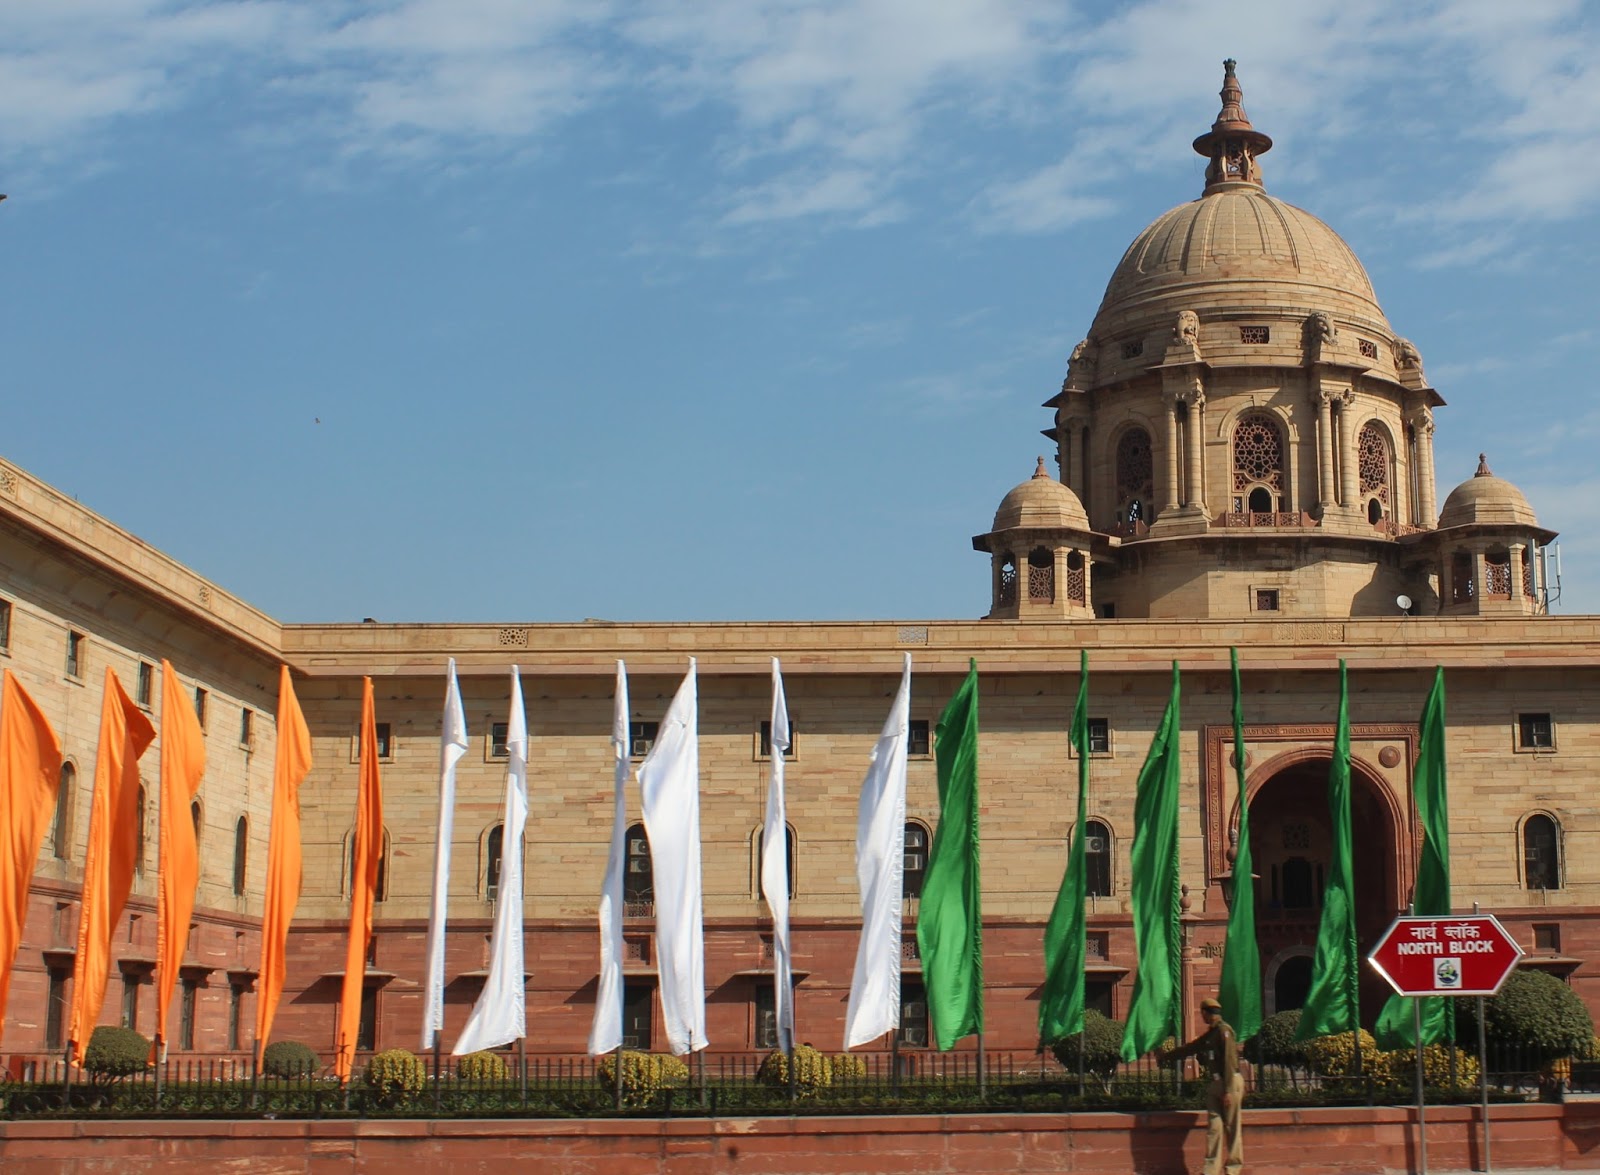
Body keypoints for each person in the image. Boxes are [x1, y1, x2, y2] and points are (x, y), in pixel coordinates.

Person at [1161, 997, 1243, 1175]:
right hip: (1216, 1083)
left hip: (1229, 1081)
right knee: (1214, 1127)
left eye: (1202, 1013)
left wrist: (1228, 1090)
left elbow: (1229, 1061)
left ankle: (1233, 1169)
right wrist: (1167, 1056)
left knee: (1232, 1127)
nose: (1202, 1017)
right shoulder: (1211, 1033)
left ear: (1207, 1013)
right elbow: (1191, 1048)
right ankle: (1211, 1170)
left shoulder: (1224, 1031)